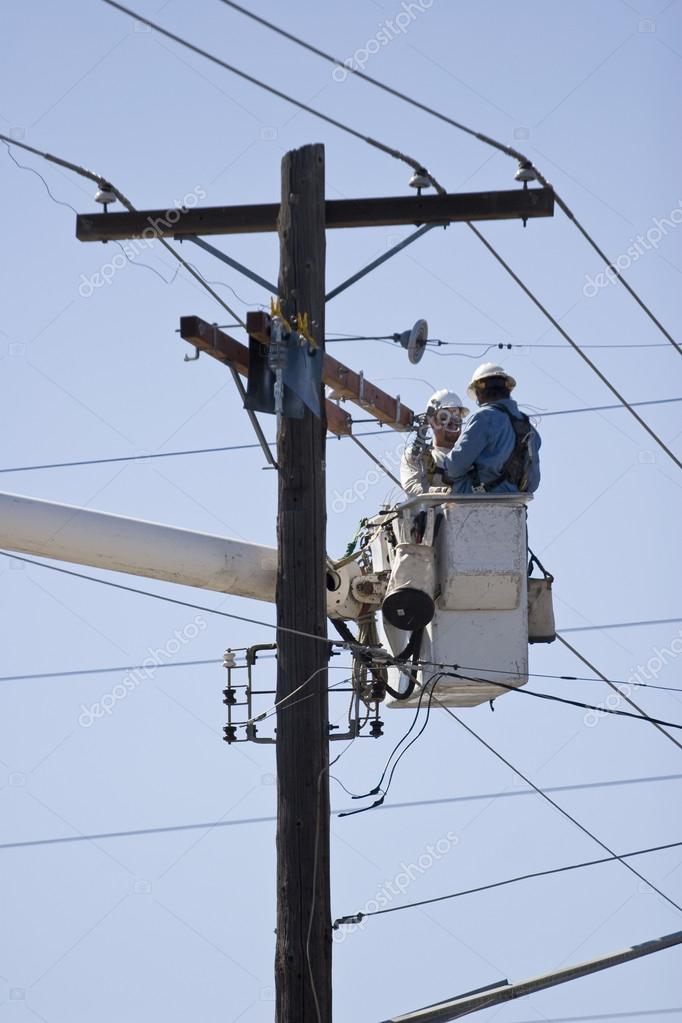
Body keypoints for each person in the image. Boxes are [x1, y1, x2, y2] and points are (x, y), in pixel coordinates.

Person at [429, 363, 541, 494]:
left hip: (475, 505)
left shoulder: (483, 419)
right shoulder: (530, 429)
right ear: (508, 390)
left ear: (478, 392)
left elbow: (454, 468)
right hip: (513, 508)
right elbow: (533, 483)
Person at [400, 389, 470, 496]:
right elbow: (413, 488)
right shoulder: (418, 455)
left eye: (456, 416)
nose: (452, 422)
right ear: (432, 422)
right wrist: (444, 492)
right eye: (444, 417)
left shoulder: (472, 455)